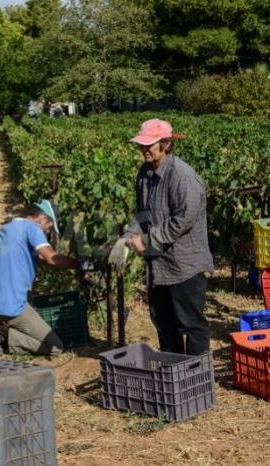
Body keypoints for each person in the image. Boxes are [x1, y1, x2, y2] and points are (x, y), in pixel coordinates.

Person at [108, 118, 214, 356]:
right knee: (164, 325)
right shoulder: (144, 173)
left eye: (149, 144)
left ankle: (195, 380)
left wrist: (145, 241)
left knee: (191, 324)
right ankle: (173, 376)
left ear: (166, 144)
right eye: (141, 145)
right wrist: (126, 238)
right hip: (158, 266)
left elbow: (181, 222)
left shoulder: (183, 177)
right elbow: (143, 214)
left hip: (184, 265)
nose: (144, 149)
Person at [0, 199, 80, 357]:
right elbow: (51, 258)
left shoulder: (8, 228)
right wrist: (80, 265)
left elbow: (29, 255)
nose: (48, 232)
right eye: (49, 227)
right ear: (42, 218)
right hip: (11, 307)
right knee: (55, 347)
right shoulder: (33, 229)